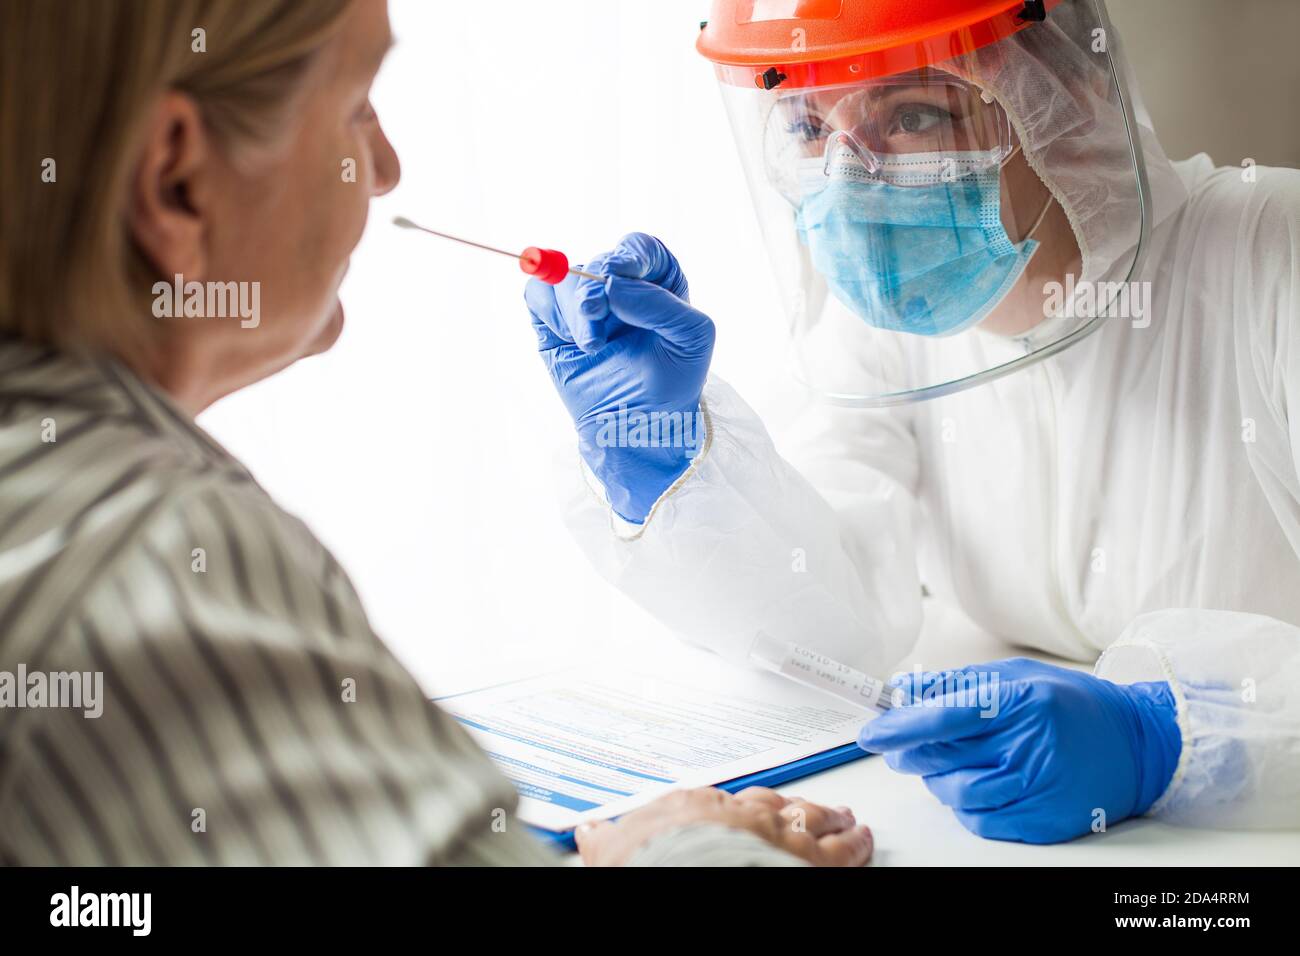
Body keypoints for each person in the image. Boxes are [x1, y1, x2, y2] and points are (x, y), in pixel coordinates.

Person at [0, 0, 872, 867]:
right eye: (355, 109)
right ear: (175, 184)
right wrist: (682, 853)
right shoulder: (160, 555)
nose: (385, 168)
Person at [527, 0, 1300, 843]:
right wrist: (664, 463)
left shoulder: (1275, 261)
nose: (849, 176)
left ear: (1064, 102)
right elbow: (834, 621)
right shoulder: (894, 329)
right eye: (806, 125)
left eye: (914, 114)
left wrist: (1180, 737)